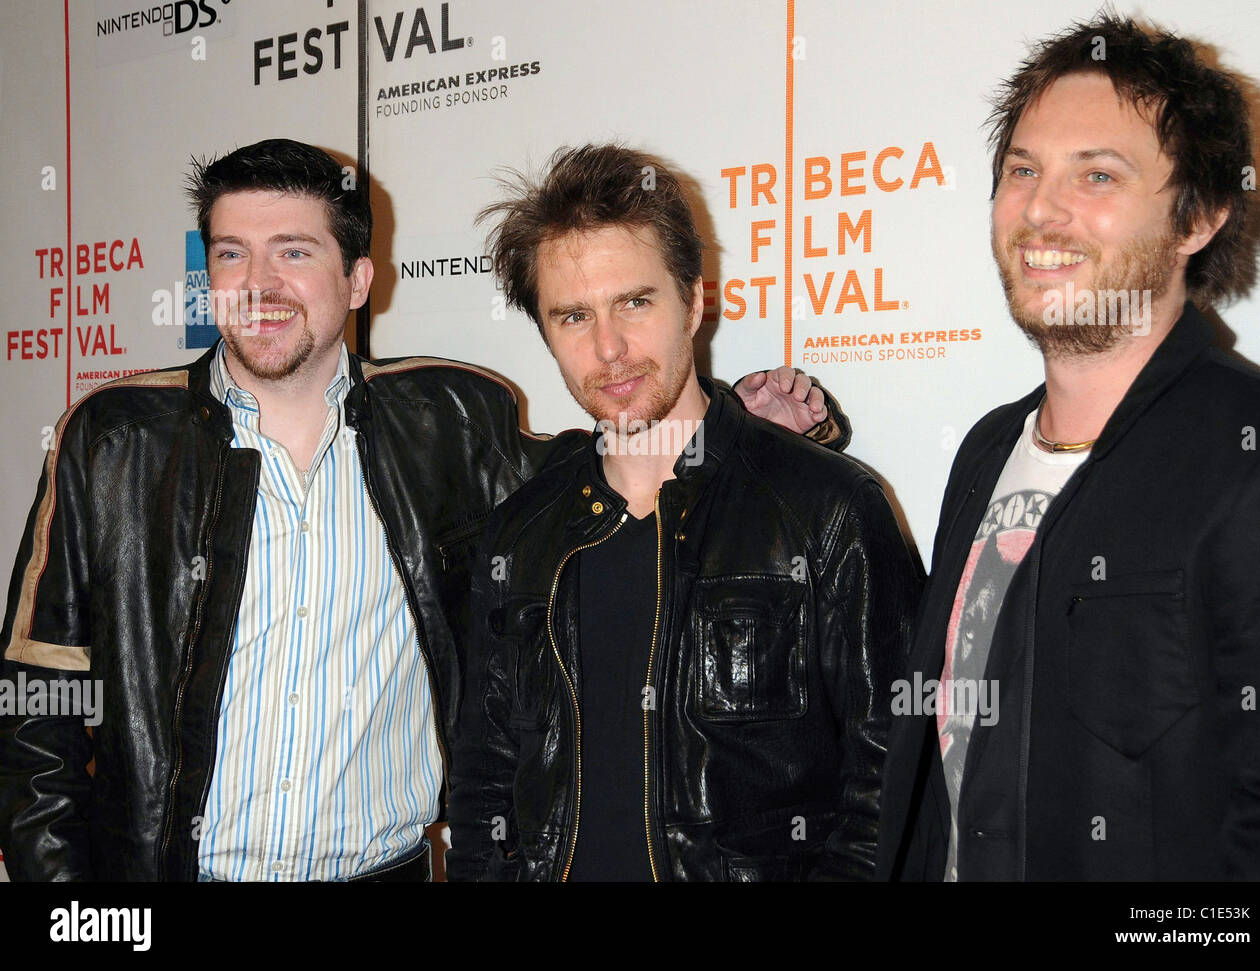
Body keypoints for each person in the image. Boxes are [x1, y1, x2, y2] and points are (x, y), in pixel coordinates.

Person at [0, 138, 838, 881]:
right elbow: (38, 696)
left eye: (293, 251)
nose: (258, 284)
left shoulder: (452, 420)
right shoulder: (112, 438)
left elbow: (614, 465)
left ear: (358, 277)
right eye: (230, 254)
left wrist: (753, 421)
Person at [876, 15, 1260, 880]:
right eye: (1022, 169)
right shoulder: (985, 450)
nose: (1040, 209)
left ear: (1199, 218)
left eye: (1097, 173)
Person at [446, 144, 919, 881]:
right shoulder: (519, 533)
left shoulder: (828, 510)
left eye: (635, 302)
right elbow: (484, 786)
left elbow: (895, 789)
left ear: (695, 301)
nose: (609, 348)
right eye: (573, 316)